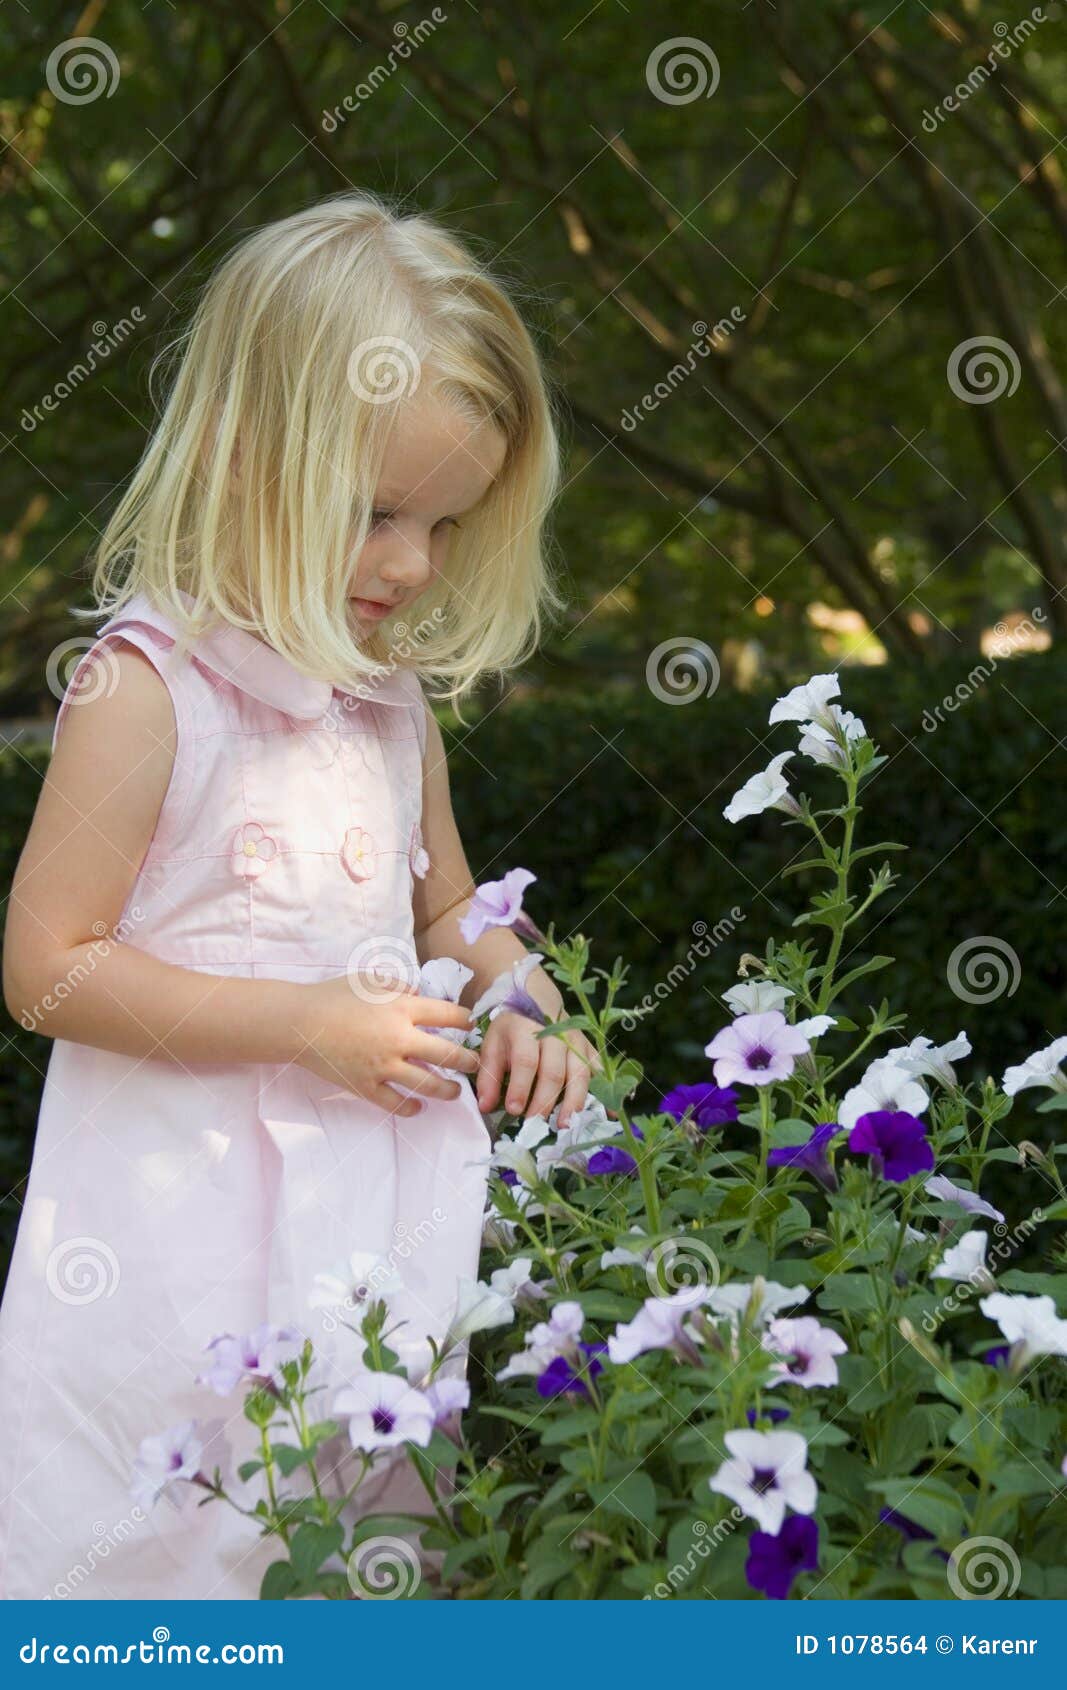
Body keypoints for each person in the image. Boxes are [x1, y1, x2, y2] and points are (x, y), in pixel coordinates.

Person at [0, 192, 600, 1599]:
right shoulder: (147, 691)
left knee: (352, 1546)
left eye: (446, 524)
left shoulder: (387, 708)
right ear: (242, 455)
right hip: (171, 1258)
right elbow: (45, 969)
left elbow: (454, 909)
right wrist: (302, 1024)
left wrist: (524, 1001)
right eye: (376, 512)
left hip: (366, 1248)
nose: (411, 564)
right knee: (171, 1549)